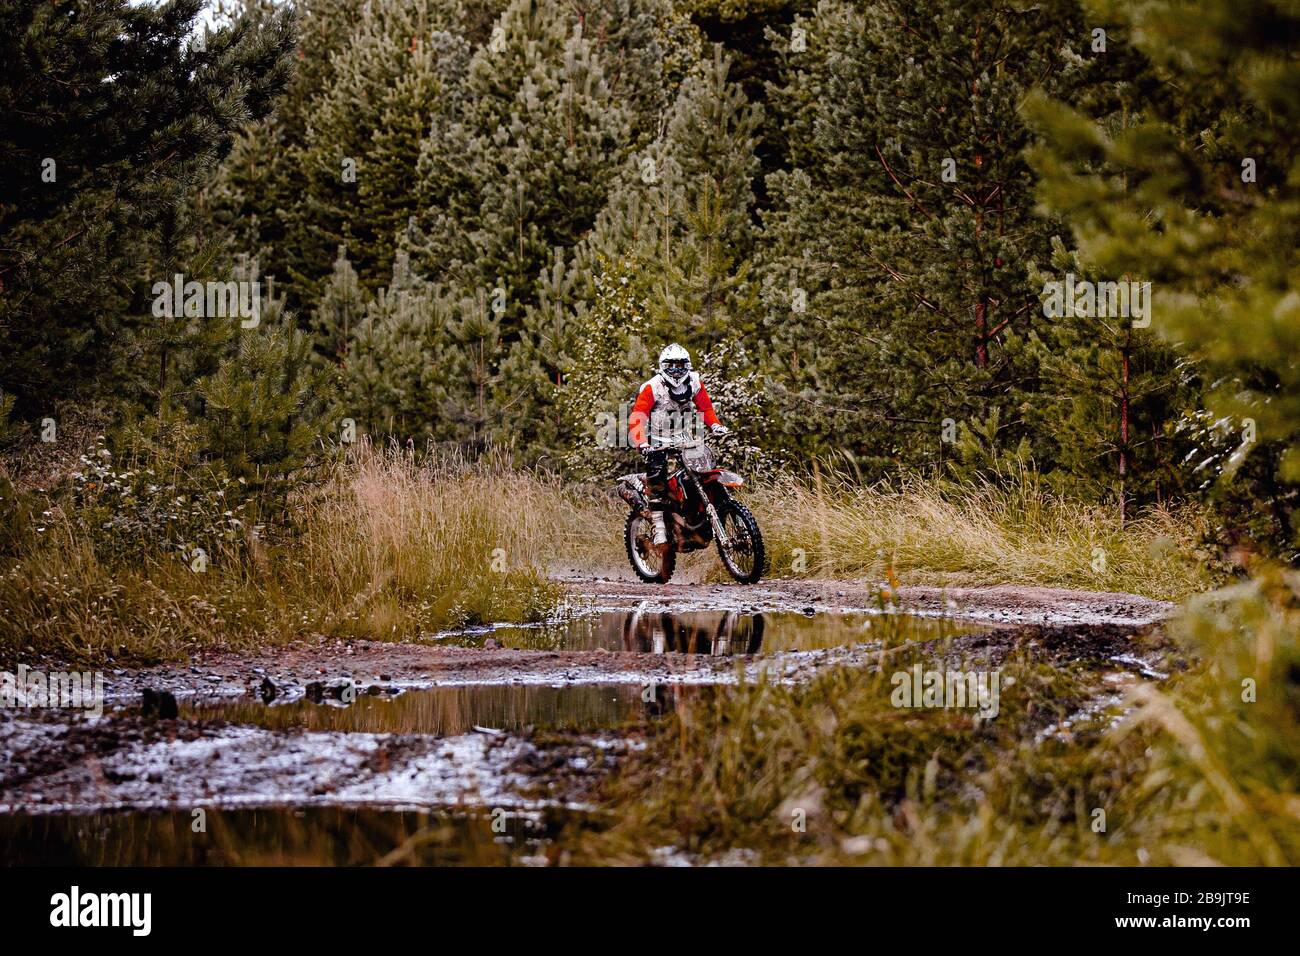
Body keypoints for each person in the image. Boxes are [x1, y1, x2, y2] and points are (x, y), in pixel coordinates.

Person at [628, 344, 729, 546]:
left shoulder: (694, 382)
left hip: (685, 438)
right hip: (656, 440)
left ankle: (699, 517)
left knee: (702, 472)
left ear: (687, 366)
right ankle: (658, 530)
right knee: (658, 480)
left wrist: (715, 425)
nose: (676, 370)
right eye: (671, 366)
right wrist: (641, 443)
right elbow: (637, 417)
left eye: (681, 366)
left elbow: (706, 408)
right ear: (663, 366)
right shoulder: (652, 387)